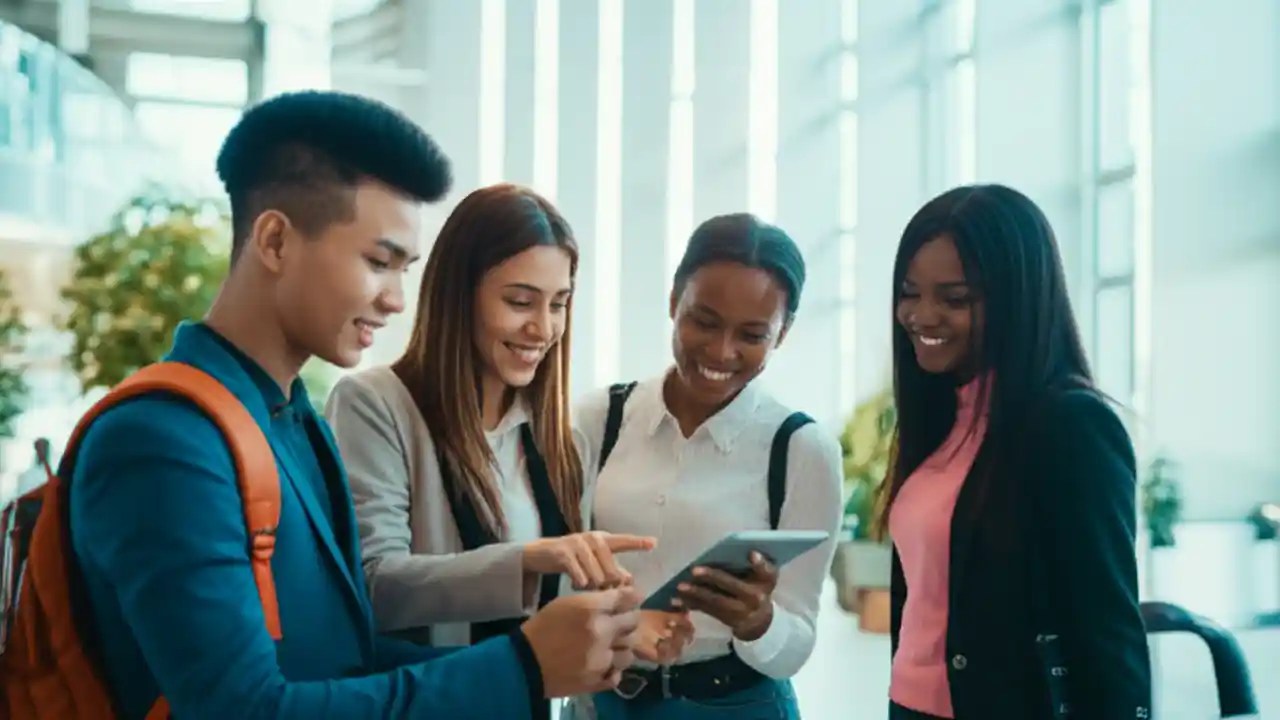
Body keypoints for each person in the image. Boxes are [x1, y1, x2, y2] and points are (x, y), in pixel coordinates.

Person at [68, 91, 641, 720]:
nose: (397, 299)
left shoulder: (294, 423)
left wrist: (537, 668)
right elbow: (244, 710)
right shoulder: (162, 439)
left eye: (404, 269)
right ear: (277, 241)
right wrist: (522, 666)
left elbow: (340, 659)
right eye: (378, 262)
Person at [323, 184, 667, 703]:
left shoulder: (556, 433)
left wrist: (626, 627)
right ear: (458, 295)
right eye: (519, 301)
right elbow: (375, 586)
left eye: (559, 304)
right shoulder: (375, 404)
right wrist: (528, 559)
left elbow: (553, 611)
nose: (544, 327)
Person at [878, 184, 1151, 720]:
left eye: (954, 299)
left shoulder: (1070, 425)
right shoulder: (938, 416)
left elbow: (1106, 628)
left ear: (1017, 298)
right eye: (909, 293)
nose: (921, 315)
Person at [571, 213, 844, 720]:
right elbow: (554, 573)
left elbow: (796, 646)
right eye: (705, 321)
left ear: (782, 334)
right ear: (674, 301)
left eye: (753, 335)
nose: (722, 351)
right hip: (603, 701)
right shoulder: (597, 419)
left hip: (736, 705)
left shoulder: (803, 449)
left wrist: (758, 622)